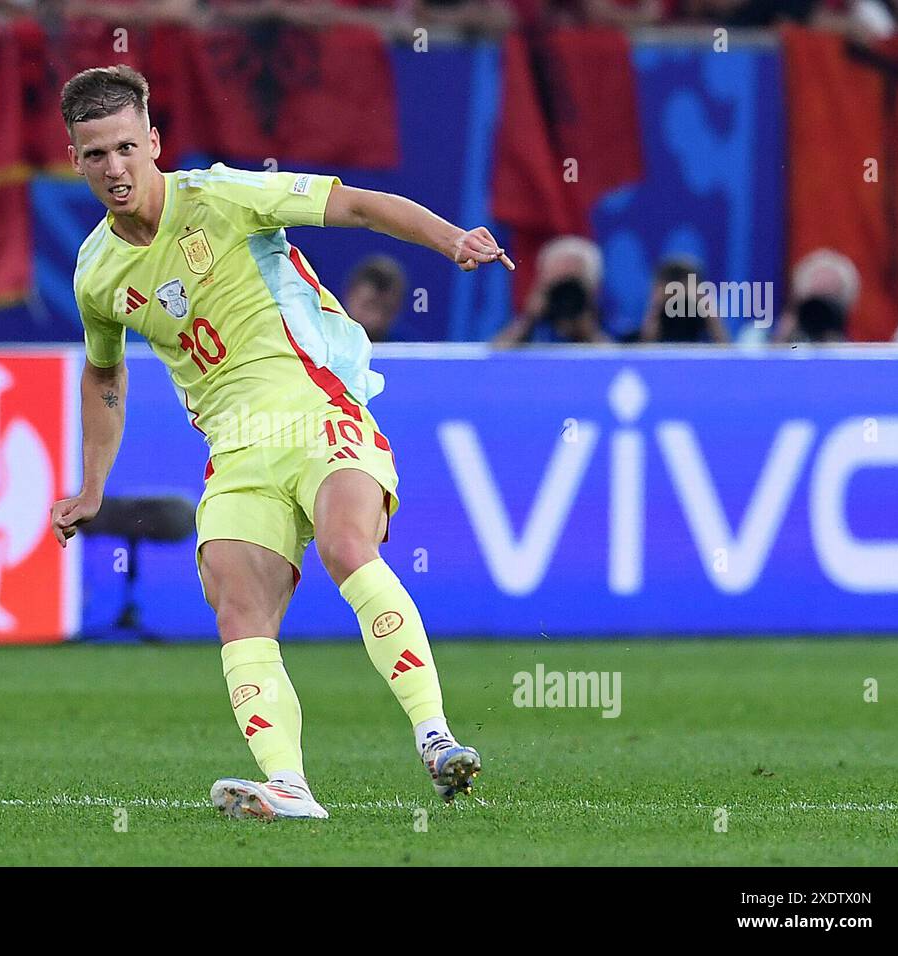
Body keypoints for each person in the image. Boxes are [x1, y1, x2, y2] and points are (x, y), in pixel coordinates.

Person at [50, 65, 514, 821]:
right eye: (96, 154)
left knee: (345, 545)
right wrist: (92, 485)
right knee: (238, 605)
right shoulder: (97, 274)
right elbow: (105, 376)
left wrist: (451, 238)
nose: (115, 168)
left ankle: (435, 736)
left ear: (154, 142)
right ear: (76, 160)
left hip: (316, 409)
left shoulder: (224, 197)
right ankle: (290, 788)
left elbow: (357, 204)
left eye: (127, 148)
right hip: (235, 451)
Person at [494, 235, 606, 345]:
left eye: (570, 285)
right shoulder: (530, 319)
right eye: (558, 284)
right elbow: (493, 355)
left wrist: (589, 331)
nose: (565, 295)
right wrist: (528, 319)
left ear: (593, 285)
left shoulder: (609, 314)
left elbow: (617, 357)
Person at [775, 248, 858, 344]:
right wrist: (781, 340)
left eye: (829, 297)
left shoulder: (860, 347)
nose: (819, 313)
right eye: (815, 300)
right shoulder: (765, 336)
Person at [639, 256, 729, 344]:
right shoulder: (659, 310)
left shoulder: (700, 311)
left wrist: (706, 306)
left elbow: (724, 348)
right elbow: (645, 347)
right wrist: (657, 305)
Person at [344, 255, 407, 343]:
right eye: (368, 306)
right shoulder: (325, 340)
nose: (375, 318)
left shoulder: (404, 348)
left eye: (385, 309)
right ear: (351, 295)